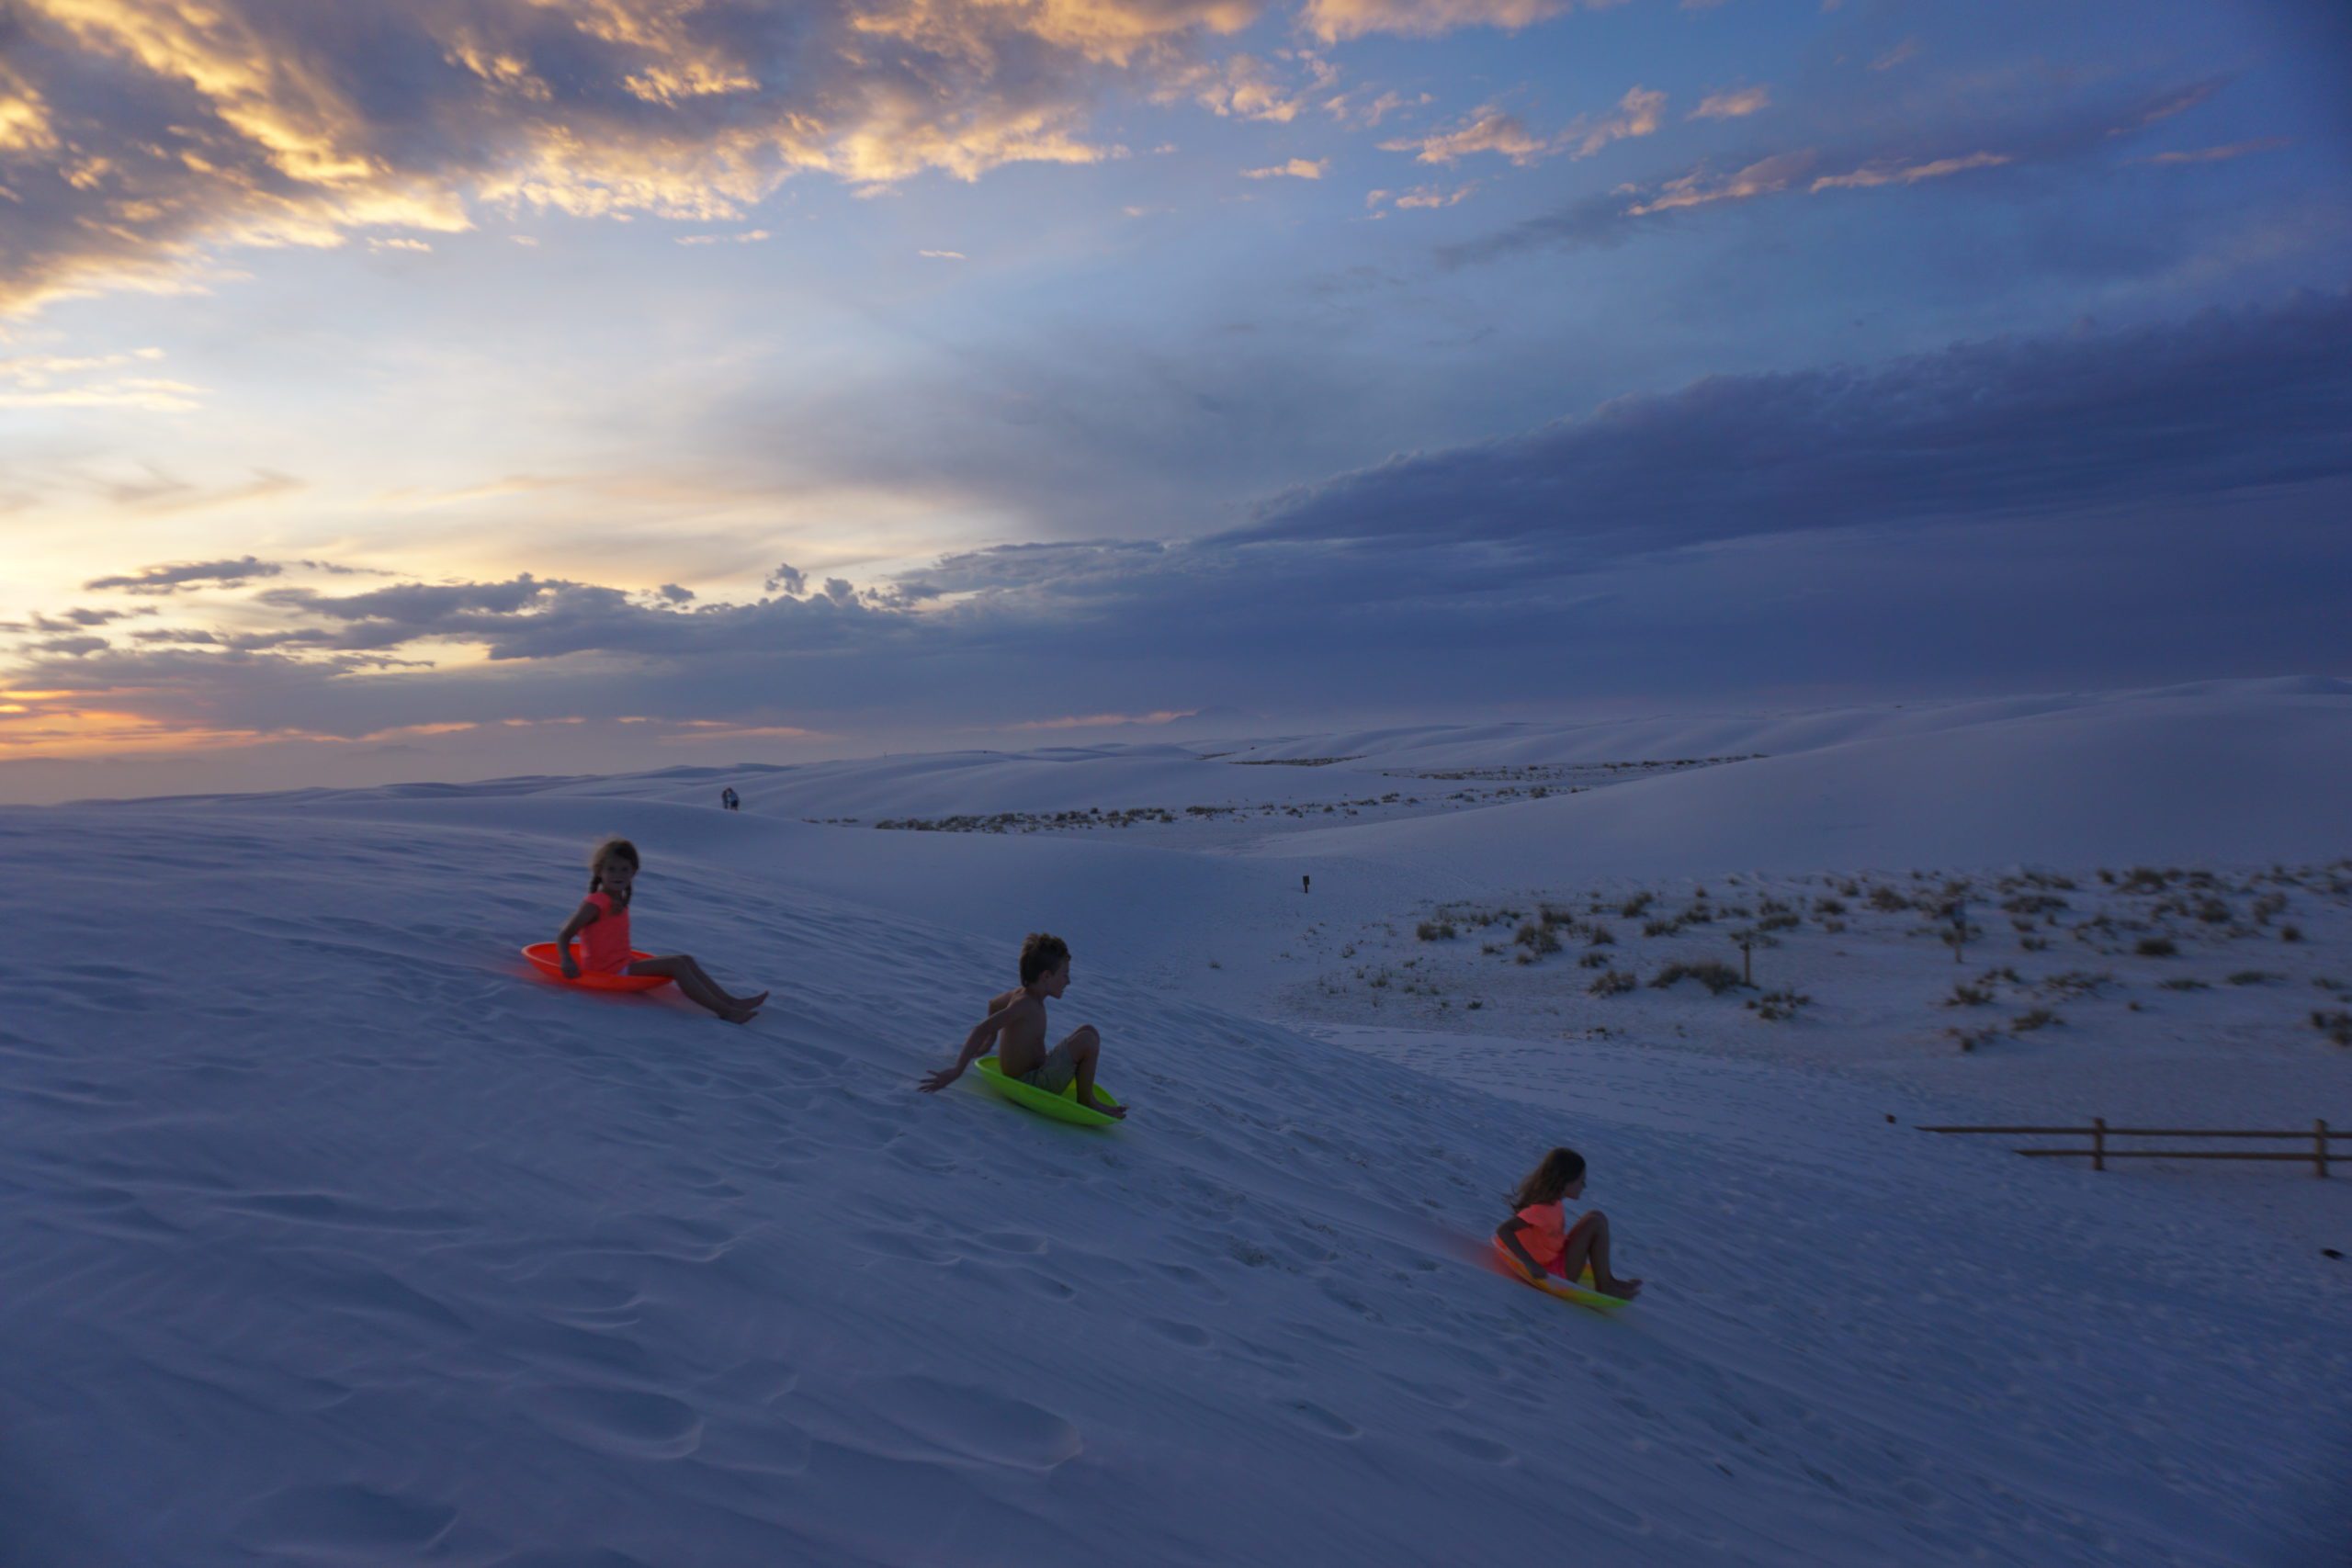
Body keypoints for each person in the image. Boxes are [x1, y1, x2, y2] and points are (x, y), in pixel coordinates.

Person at [553, 836, 766, 1023]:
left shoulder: (617, 899)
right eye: (611, 869)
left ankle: (731, 1002)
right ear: (600, 871)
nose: (618, 875)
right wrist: (566, 959)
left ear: (634, 871)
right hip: (607, 970)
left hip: (622, 963)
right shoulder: (596, 902)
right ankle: (725, 1012)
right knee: (676, 965)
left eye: (624, 869)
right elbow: (565, 934)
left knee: (685, 959)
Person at [917, 932, 1124, 1118]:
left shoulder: (1021, 995)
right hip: (1032, 1082)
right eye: (1065, 975)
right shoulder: (1026, 1005)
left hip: (1038, 1071)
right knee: (1087, 1040)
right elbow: (981, 1028)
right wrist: (957, 1070)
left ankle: (1084, 1093)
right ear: (1046, 976)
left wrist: (992, 1040)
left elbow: (994, 1003)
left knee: (1088, 1030)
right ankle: (1087, 1100)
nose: (1068, 981)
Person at [1493, 1146, 1642, 1300]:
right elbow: (1504, 1230)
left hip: (1557, 1259)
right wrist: (1530, 1263)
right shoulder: (1541, 1210)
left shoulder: (1554, 1203)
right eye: (1581, 1181)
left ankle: (1609, 1280)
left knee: (1596, 1216)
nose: (1584, 1186)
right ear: (1565, 1182)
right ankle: (1605, 1286)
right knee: (1595, 1222)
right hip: (1555, 1273)